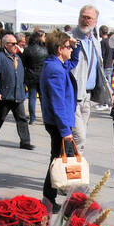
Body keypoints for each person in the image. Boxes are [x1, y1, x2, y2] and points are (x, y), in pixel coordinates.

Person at [39, 28, 82, 208]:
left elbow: (73, 61)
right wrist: (65, 131)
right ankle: (51, 199)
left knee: (56, 158)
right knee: (58, 160)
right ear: (59, 49)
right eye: (67, 47)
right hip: (59, 123)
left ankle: (51, 197)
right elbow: (58, 103)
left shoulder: (56, 64)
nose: (70, 49)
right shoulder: (55, 69)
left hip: (58, 122)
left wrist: (75, 45)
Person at [72, 3, 114, 146]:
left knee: (80, 135)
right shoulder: (69, 39)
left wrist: (110, 92)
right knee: (79, 137)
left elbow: (100, 71)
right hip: (72, 95)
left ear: (95, 22)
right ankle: (75, 166)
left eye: (89, 18)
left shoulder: (95, 42)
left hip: (87, 96)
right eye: (82, 17)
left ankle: (74, 166)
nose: (85, 20)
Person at [0, 32, 33, 149]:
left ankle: (25, 142)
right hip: (5, 94)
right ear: (5, 45)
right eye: (13, 44)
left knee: (22, 118)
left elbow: (21, 74)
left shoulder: (18, 57)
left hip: (18, 94)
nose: (16, 45)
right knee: (0, 117)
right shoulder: (0, 57)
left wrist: (23, 88)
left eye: (16, 43)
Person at [22, 28, 47, 125]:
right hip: (42, 76)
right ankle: (45, 117)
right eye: (44, 36)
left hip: (30, 75)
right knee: (42, 98)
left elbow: (23, 63)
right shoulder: (45, 50)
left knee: (32, 97)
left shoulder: (27, 49)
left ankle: (32, 118)